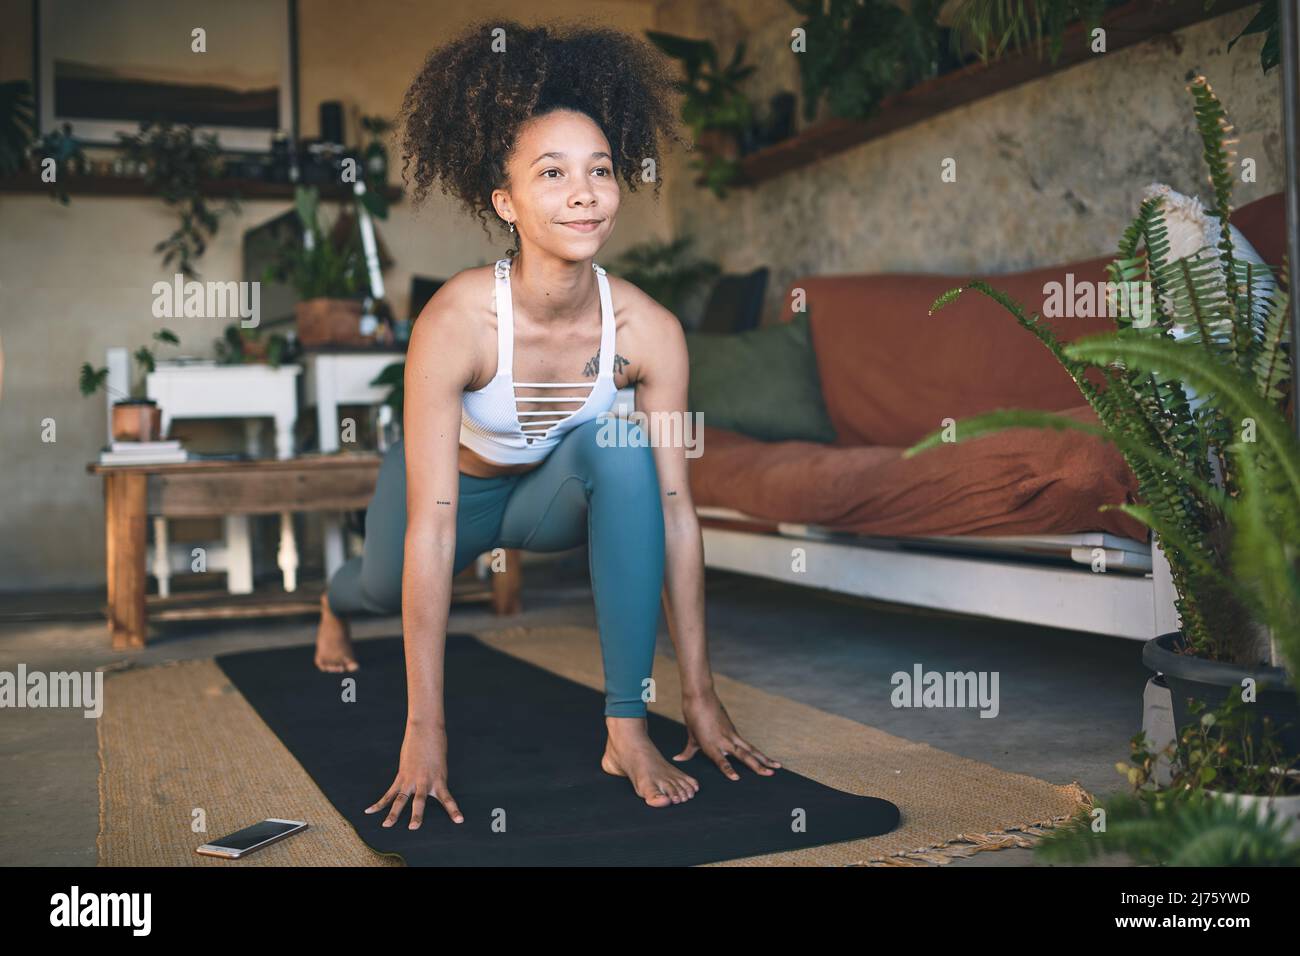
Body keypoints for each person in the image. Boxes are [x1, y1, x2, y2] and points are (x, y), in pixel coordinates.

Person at [315, 18, 781, 828]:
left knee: (623, 443)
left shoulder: (649, 330)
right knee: (375, 586)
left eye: (600, 170)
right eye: (553, 173)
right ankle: (331, 600)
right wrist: (424, 732)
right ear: (507, 202)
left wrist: (700, 697)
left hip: (551, 498)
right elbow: (431, 525)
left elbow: (676, 514)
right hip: (449, 497)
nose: (584, 192)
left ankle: (624, 730)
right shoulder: (458, 319)